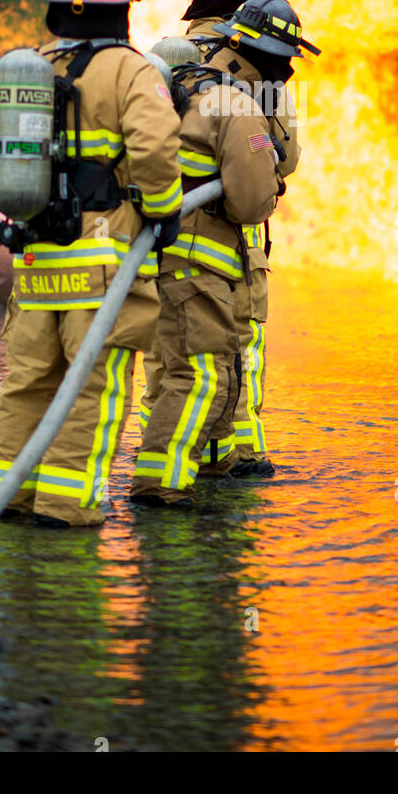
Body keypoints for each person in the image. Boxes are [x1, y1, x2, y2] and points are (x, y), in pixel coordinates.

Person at [0, 0, 181, 528]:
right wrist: (163, 211)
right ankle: (68, 507)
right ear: (121, 11)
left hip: (38, 264)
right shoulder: (133, 70)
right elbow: (154, 149)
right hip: (104, 269)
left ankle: (8, 497)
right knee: (93, 388)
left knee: (28, 383)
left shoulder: (34, 69)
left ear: (59, 10)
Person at [129, 43, 282, 508]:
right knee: (200, 374)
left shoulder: (170, 103)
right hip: (200, 264)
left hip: (156, 260)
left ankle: (206, 464)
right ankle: (161, 484)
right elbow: (252, 201)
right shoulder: (234, 104)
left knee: (192, 366)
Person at [201, 0, 319, 475]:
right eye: (284, 58)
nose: (287, 70)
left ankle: (201, 457)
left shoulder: (184, 67)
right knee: (232, 351)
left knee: (184, 360)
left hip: (172, 246)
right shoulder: (244, 95)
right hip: (226, 245)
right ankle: (215, 462)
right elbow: (269, 180)